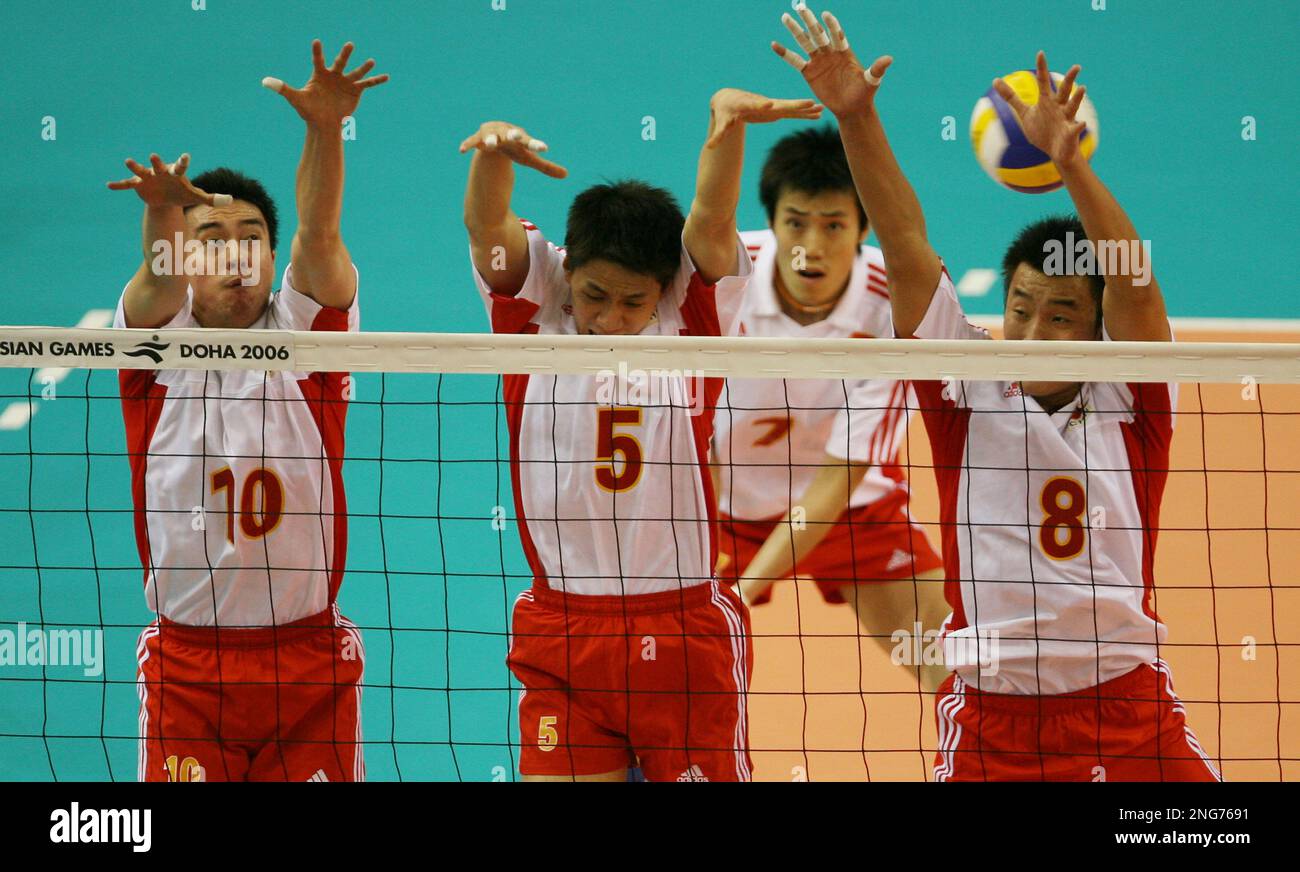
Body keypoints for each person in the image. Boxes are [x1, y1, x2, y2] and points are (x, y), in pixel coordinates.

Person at [773, 5, 1219, 781]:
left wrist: (1072, 164)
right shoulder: (964, 389)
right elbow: (907, 247)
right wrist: (856, 116)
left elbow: (1136, 284)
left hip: (1130, 714)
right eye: (1020, 309)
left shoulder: (1133, 401)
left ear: (1097, 329)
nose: (1035, 330)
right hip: (996, 727)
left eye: (1062, 315)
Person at [461, 88, 821, 781]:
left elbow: (712, 220)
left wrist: (726, 124)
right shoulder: (534, 301)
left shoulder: (692, 311)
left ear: (663, 288)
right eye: (594, 296)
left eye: (634, 302)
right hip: (562, 625)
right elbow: (487, 226)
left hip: (683, 625)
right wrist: (493, 155)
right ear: (570, 271)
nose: (611, 319)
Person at [108, 40, 386, 781]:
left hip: (309, 665)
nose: (236, 256)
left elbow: (320, 238)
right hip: (189, 671)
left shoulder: (308, 339)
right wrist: (167, 211)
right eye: (212, 241)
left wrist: (325, 130)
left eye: (252, 239)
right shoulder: (156, 351)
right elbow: (153, 283)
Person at [714, 125, 947, 691]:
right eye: (796, 223)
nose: (810, 247)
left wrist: (739, 596)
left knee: (956, 668)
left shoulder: (896, 307)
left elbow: (838, 483)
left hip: (848, 508)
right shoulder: (719, 275)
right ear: (772, 222)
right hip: (715, 506)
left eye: (834, 225)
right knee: (652, 661)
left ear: (864, 230)